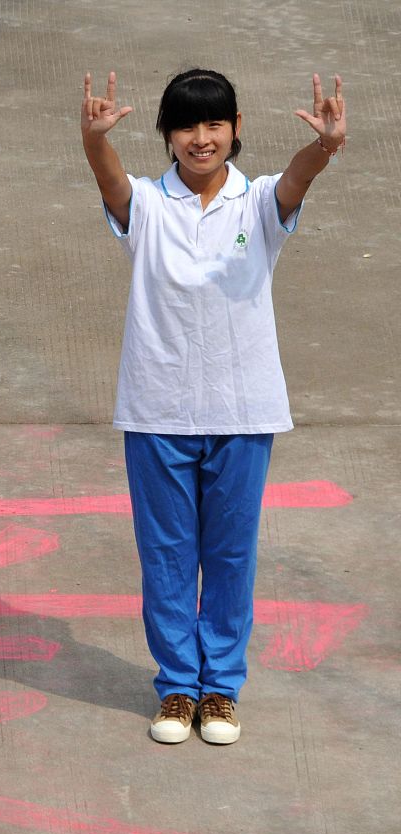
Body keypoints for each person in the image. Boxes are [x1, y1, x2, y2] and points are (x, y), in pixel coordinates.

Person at [79, 69, 346, 744]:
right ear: (167, 135)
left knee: (230, 555)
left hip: (244, 410)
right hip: (157, 410)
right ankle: (176, 688)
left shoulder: (257, 204)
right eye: (188, 125)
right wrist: (93, 141)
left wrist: (325, 146)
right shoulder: (147, 203)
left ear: (234, 129)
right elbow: (111, 184)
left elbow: (298, 179)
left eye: (215, 124)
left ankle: (220, 688)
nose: (202, 138)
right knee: (167, 554)